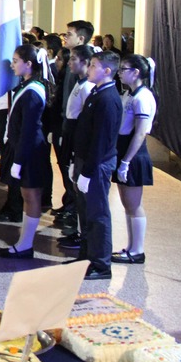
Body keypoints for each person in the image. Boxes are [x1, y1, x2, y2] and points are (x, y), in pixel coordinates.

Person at [71, 50, 123, 280]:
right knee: (86, 212)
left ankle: (101, 265)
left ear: (107, 71)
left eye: (93, 65)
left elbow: (101, 140)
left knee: (98, 214)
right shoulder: (96, 93)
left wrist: (88, 172)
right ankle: (86, 256)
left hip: (97, 164)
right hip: (86, 161)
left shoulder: (108, 98)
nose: (89, 69)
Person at [0, 44, 53, 258]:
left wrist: (18, 160)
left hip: (30, 150)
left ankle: (26, 244)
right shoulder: (27, 85)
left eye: (15, 61)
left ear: (29, 64)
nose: (12, 65)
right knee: (27, 194)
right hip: (24, 147)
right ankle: (24, 242)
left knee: (31, 194)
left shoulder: (33, 91)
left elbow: (29, 129)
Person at [112, 55, 157, 264]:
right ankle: (130, 246)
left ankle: (137, 249)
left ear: (136, 72)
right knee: (127, 204)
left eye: (124, 69)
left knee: (134, 204)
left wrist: (126, 161)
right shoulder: (128, 94)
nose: (120, 73)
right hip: (123, 150)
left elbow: (140, 133)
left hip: (134, 154)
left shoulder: (143, 97)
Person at [56, 45, 95, 253]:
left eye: (73, 59)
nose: (70, 62)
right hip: (70, 132)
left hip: (78, 137)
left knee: (80, 190)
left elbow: (84, 119)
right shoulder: (79, 83)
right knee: (73, 183)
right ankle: (80, 231)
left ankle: (84, 234)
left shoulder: (88, 87)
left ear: (86, 63)